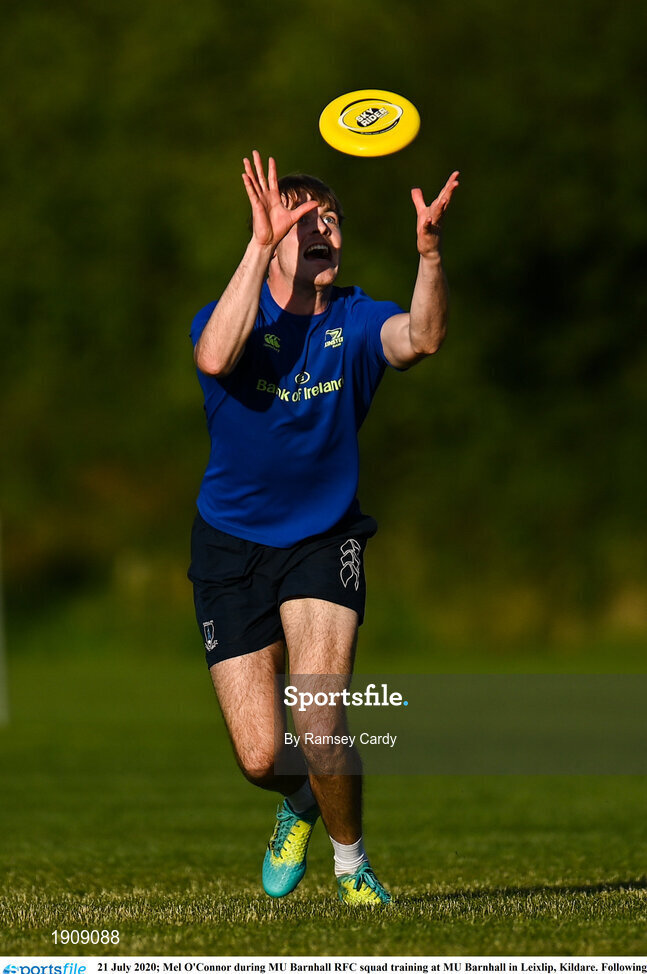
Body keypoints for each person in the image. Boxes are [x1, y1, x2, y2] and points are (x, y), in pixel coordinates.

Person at [188, 150, 459, 905]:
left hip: (324, 538)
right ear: (272, 239)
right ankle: (300, 799)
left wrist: (429, 256)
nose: (321, 232)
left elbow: (424, 338)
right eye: (302, 222)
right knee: (256, 755)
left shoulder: (355, 317)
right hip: (229, 544)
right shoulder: (233, 316)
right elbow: (214, 354)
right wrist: (255, 242)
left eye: (329, 221)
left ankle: (352, 868)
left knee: (318, 713)